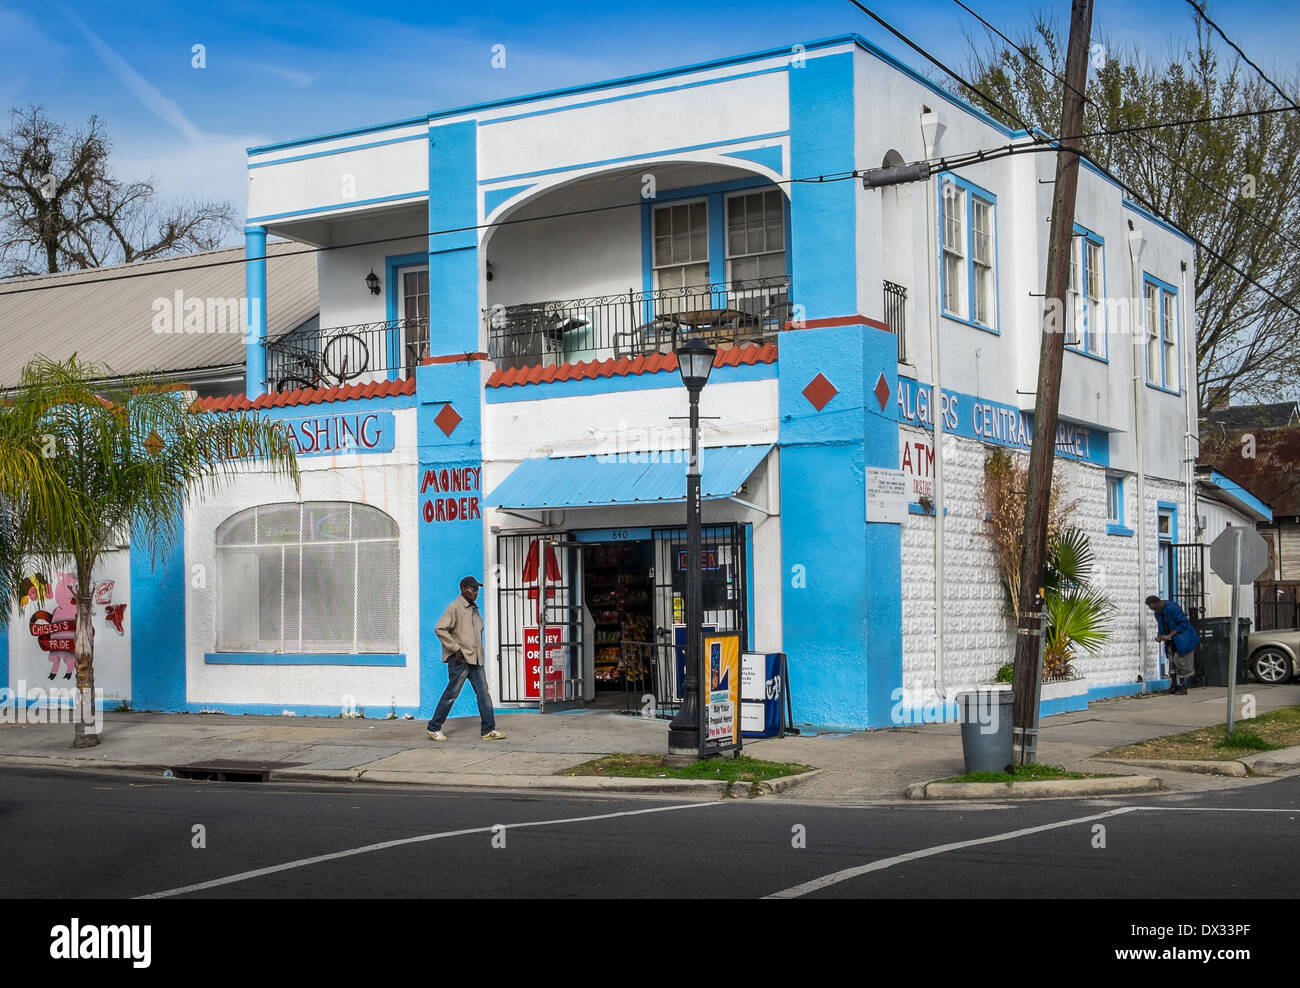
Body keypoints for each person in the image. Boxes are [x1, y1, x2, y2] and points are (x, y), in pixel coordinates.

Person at [426, 576, 506, 741]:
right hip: (460, 660)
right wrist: (456, 649)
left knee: (484, 694)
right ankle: (433, 727)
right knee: (451, 694)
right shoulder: (454, 608)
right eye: (473, 588)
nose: (476, 592)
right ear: (463, 589)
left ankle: (488, 730)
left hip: (476, 660)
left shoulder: (474, 609)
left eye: (477, 589)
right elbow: (439, 629)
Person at [1145, 595, 1200, 695]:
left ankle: (1183, 687)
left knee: (1181, 662)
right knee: (1171, 662)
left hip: (1183, 639)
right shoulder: (1157, 613)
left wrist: (1170, 635)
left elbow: (1183, 623)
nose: (1155, 611)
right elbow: (1161, 626)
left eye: (1155, 608)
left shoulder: (1173, 608)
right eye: (1152, 609)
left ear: (1159, 603)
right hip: (1171, 641)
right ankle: (1174, 686)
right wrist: (1160, 636)